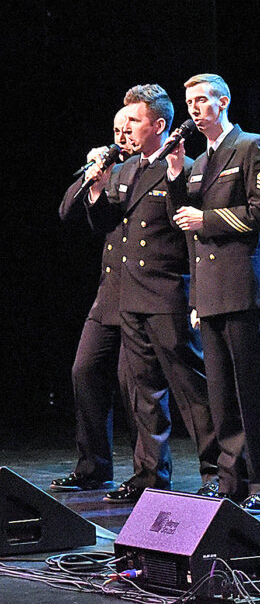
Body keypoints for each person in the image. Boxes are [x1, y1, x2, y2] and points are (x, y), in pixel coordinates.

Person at [84, 84, 220, 504]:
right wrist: (94, 186)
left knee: (191, 390)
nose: (126, 129)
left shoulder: (185, 167)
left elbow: (192, 236)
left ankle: (217, 472)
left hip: (168, 294)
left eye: (135, 121)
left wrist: (197, 295)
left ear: (159, 126)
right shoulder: (125, 171)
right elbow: (106, 222)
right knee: (141, 392)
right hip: (130, 298)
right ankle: (150, 474)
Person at [165, 73, 260, 514]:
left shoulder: (250, 146)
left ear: (224, 101)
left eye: (201, 100)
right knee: (220, 395)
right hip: (209, 293)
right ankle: (231, 479)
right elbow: (185, 223)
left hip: (240, 288)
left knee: (252, 390)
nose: (194, 109)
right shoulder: (199, 161)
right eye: (189, 101)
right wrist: (177, 172)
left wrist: (208, 220)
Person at [50, 107, 138, 493]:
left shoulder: (154, 168)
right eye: (116, 129)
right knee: (83, 371)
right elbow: (67, 211)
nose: (122, 135)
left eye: (129, 127)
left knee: (134, 384)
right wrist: (93, 176)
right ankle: (93, 466)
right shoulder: (109, 169)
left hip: (144, 293)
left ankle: (147, 470)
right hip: (108, 295)